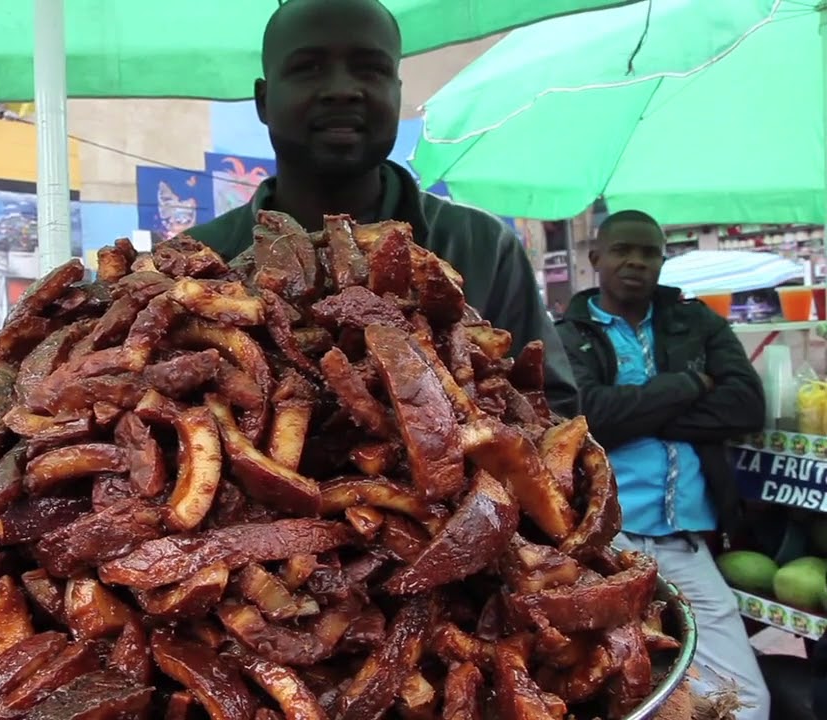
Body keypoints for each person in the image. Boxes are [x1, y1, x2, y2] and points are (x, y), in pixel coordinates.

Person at [185, 0, 578, 416]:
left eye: (370, 68)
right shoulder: (196, 264)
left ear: (397, 91)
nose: (342, 89)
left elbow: (553, 410)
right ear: (263, 100)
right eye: (308, 68)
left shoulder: (482, 246)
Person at [555, 210, 769, 719]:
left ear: (662, 259)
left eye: (650, 252)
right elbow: (585, 415)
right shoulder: (569, 333)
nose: (637, 261)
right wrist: (691, 386)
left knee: (747, 698)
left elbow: (746, 405)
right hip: (607, 545)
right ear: (596, 258)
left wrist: (639, 415)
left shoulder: (695, 322)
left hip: (686, 540)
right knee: (632, 691)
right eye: (624, 249)